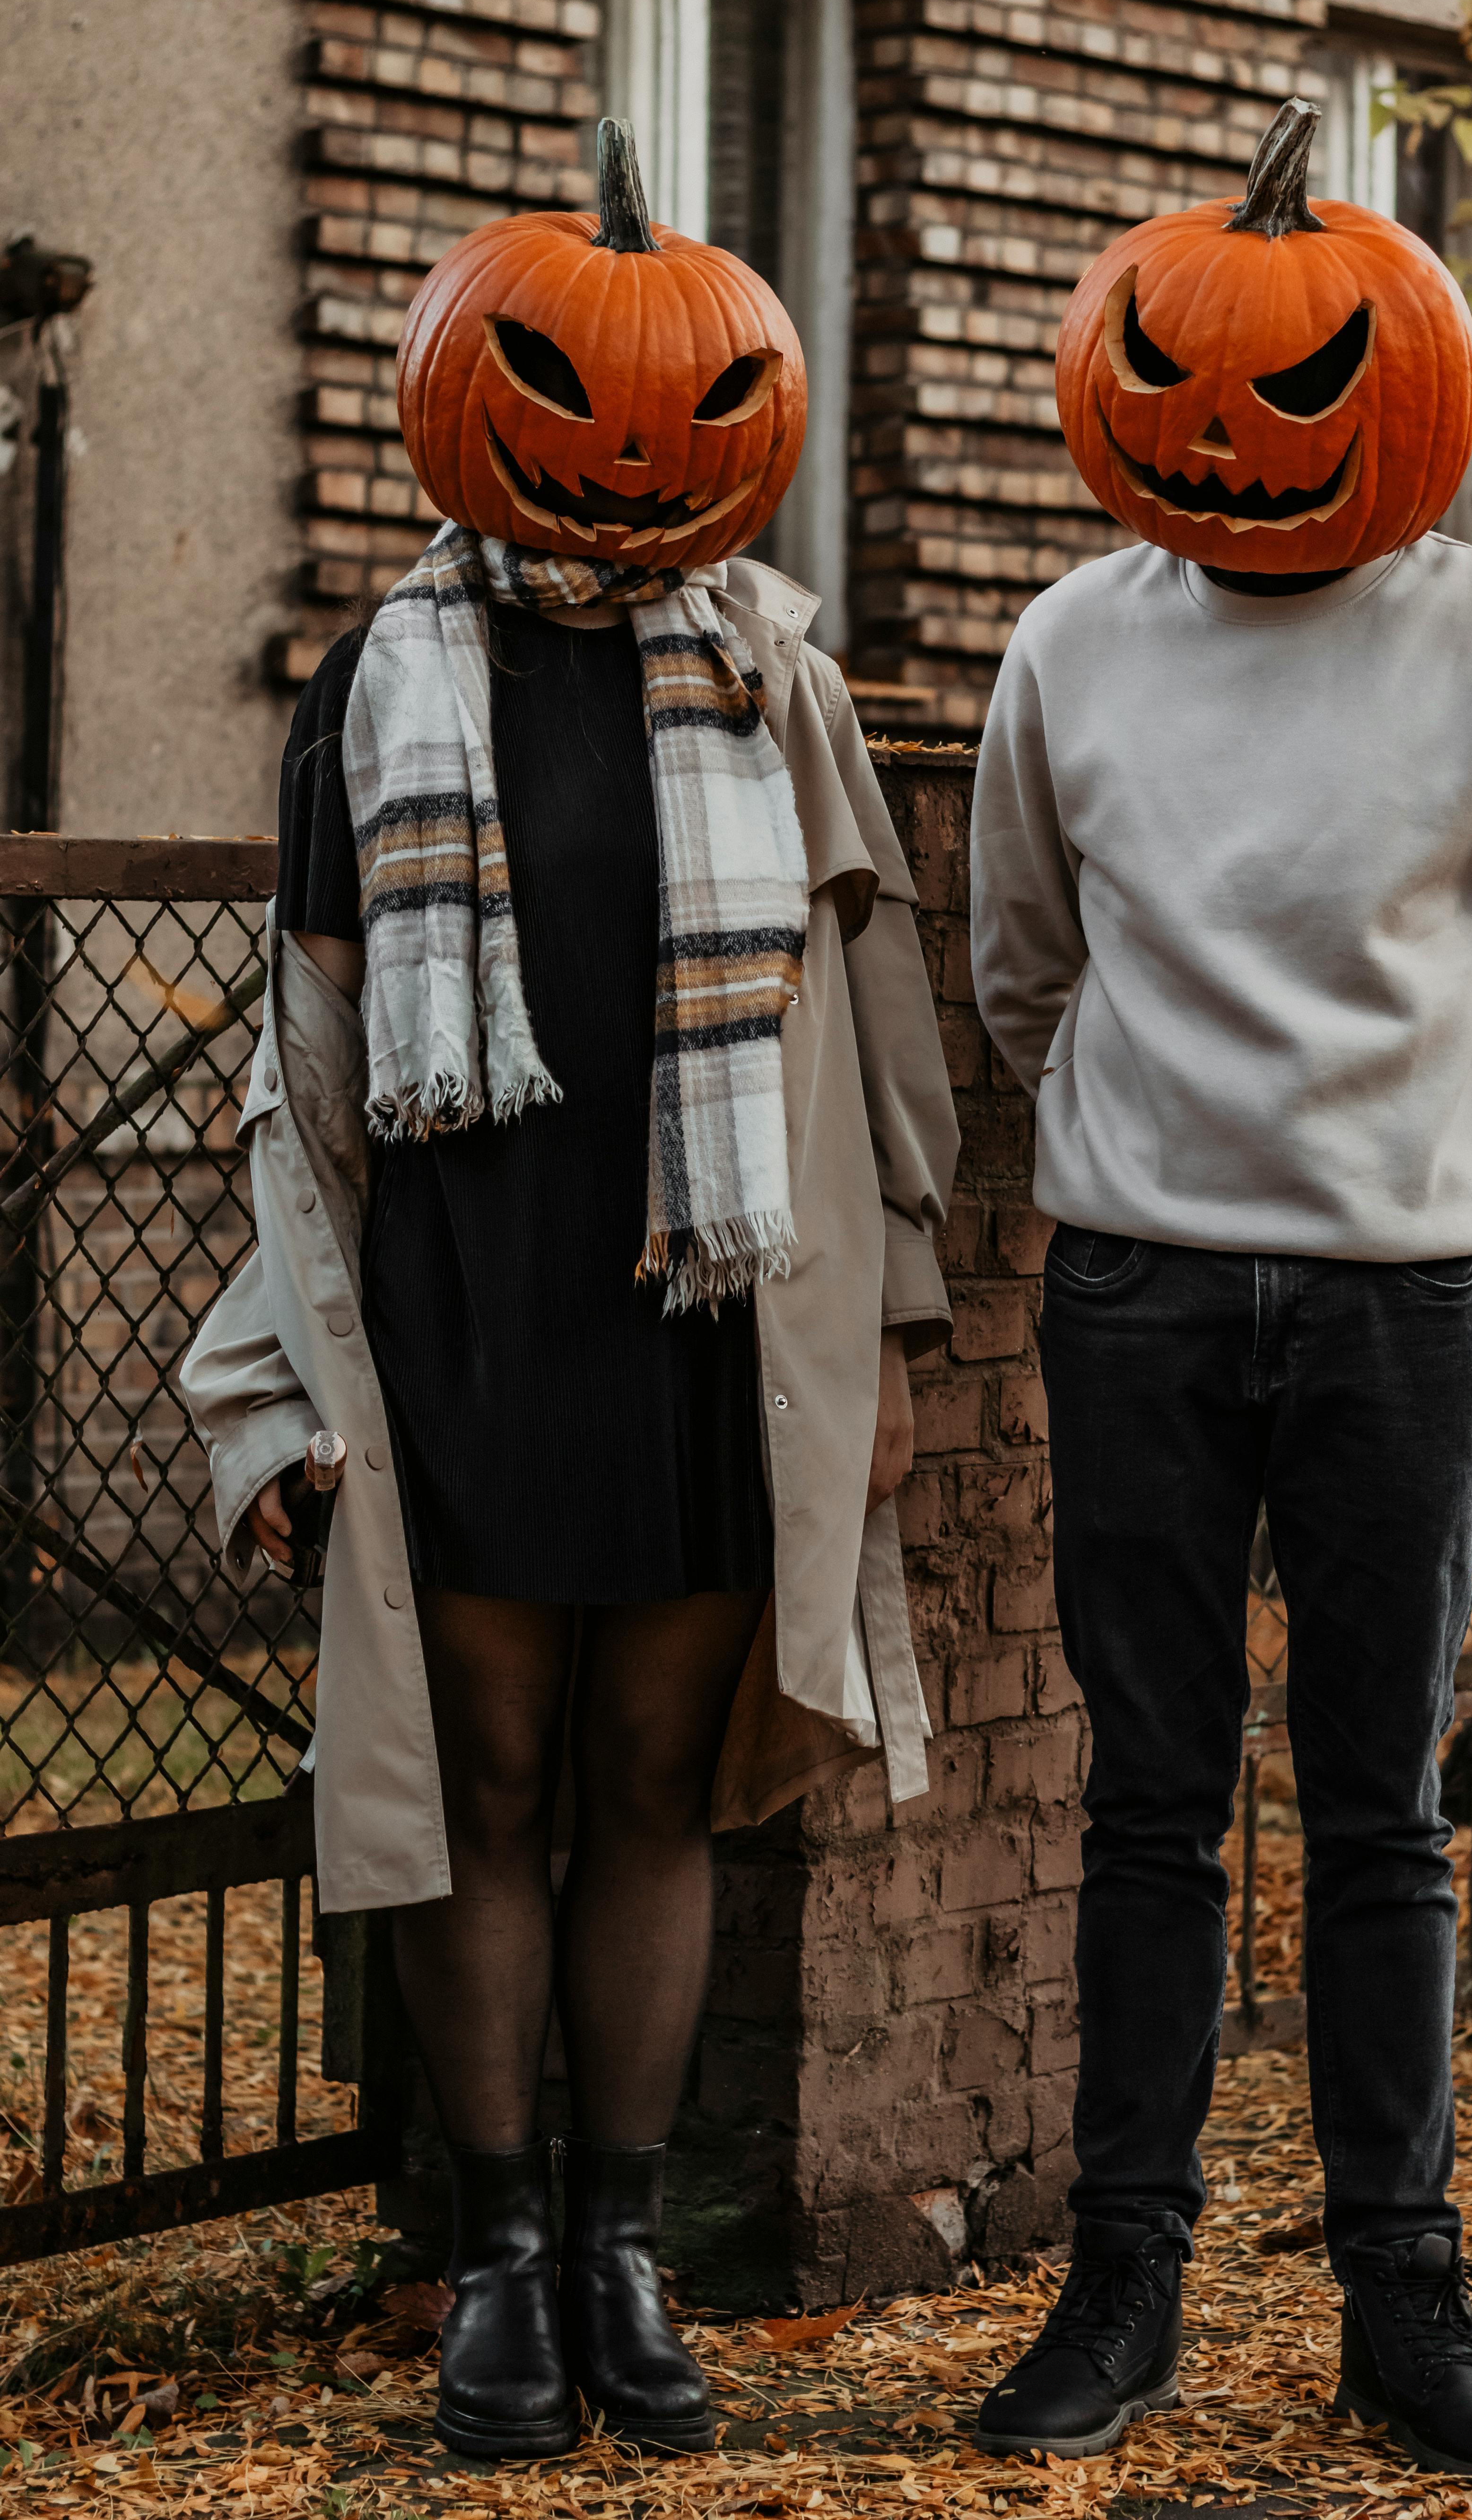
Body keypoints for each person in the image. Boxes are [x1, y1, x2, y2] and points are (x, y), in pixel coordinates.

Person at [182, 125, 958, 2467]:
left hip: (717, 1317)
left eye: (687, 405)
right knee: (484, 1778)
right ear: (471, 395)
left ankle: (622, 2250)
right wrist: (282, 1380)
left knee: (650, 1787)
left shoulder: (772, 679)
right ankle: (498, 2253)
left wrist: (896, 1335)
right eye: (570, 393)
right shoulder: (380, 681)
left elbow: (876, 1036)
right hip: (469, 1314)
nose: (629, 448)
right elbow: (306, 1065)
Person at [966, 98, 1472, 2486]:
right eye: (1184, 379)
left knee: (1380, 1819)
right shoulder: (1071, 644)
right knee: (1147, 1808)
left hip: (1397, 1313)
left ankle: (1401, 2300)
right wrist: (1159, 1160)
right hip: (1137, 1297)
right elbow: (1019, 971)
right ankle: (1120, 2289)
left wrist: (1454, 1188)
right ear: (1115, 385)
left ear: (1403, 395)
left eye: (1292, 384)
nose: (1233, 427)